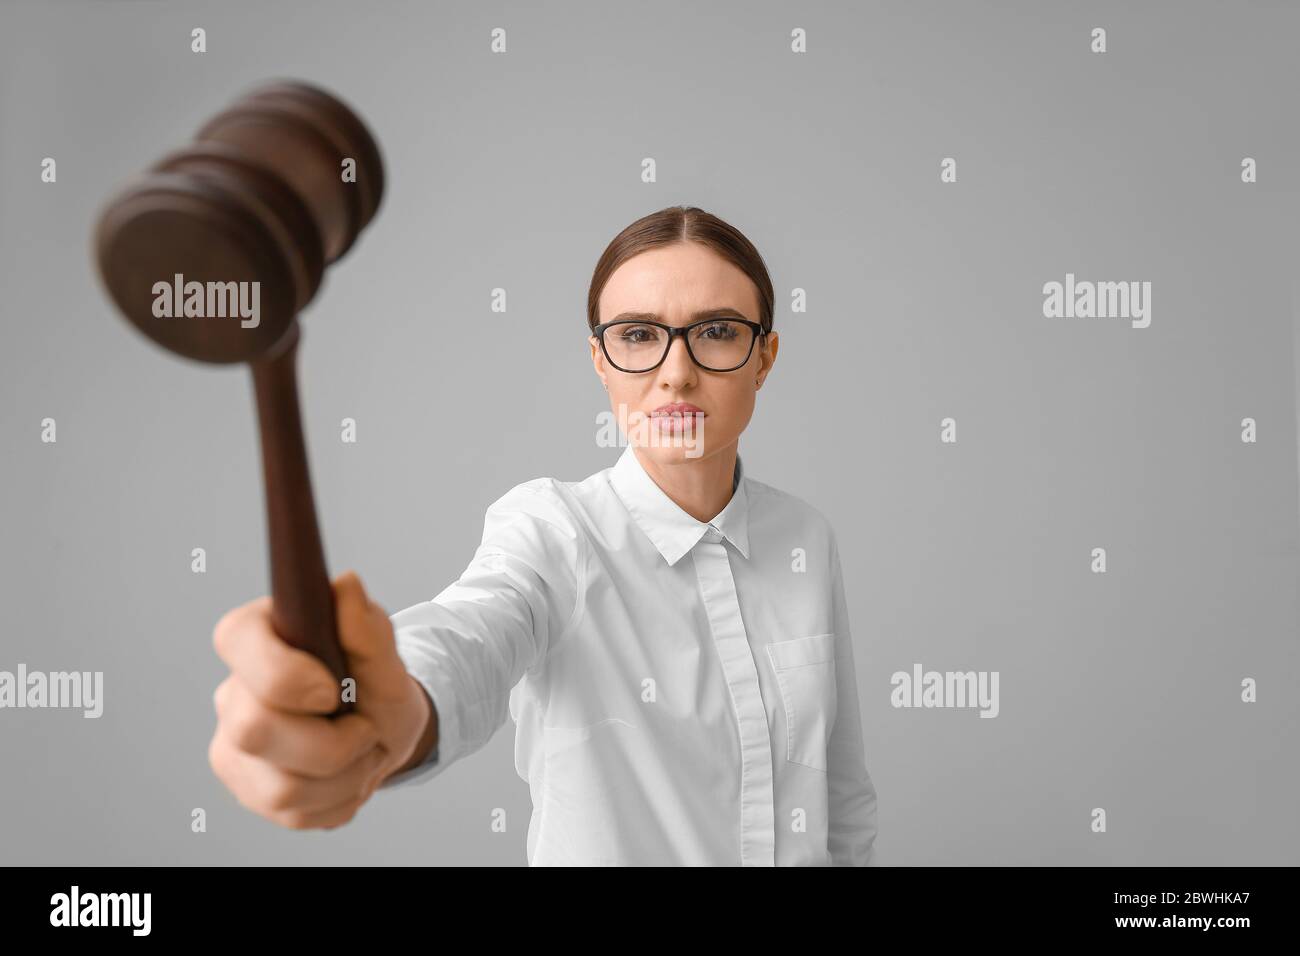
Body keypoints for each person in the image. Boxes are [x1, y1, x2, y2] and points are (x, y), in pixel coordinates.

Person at [208, 205, 878, 865]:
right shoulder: (554, 531)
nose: (676, 372)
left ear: (765, 358)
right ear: (600, 361)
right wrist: (393, 707)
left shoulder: (805, 539)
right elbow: (475, 629)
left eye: (718, 331)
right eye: (639, 336)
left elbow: (842, 799)